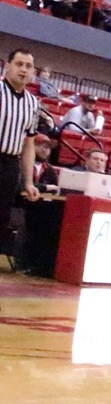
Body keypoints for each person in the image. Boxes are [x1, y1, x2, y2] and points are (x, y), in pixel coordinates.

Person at [0, 50, 43, 254]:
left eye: (28, 66)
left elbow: (29, 145)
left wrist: (28, 182)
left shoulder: (33, 103)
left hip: (9, 165)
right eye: (19, 64)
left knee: (1, 218)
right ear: (7, 65)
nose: (23, 69)